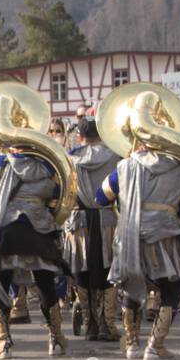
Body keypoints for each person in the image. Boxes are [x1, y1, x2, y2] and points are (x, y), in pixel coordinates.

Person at [98, 120, 180, 360]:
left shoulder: (123, 167)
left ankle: (132, 344)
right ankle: (155, 346)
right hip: (166, 235)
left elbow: (100, 196)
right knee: (172, 290)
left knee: (130, 287)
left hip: (129, 235)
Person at [0, 143, 69, 358]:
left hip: (6, 231)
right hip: (38, 229)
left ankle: (3, 342)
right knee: (45, 285)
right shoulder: (47, 166)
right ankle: (56, 339)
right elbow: (57, 198)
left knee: (1, 285)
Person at [66, 118, 121, 342]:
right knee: (108, 269)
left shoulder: (70, 157)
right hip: (107, 216)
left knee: (83, 269)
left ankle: (90, 324)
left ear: (81, 136)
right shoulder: (115, 155)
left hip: (78, 219)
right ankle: (108, 324)